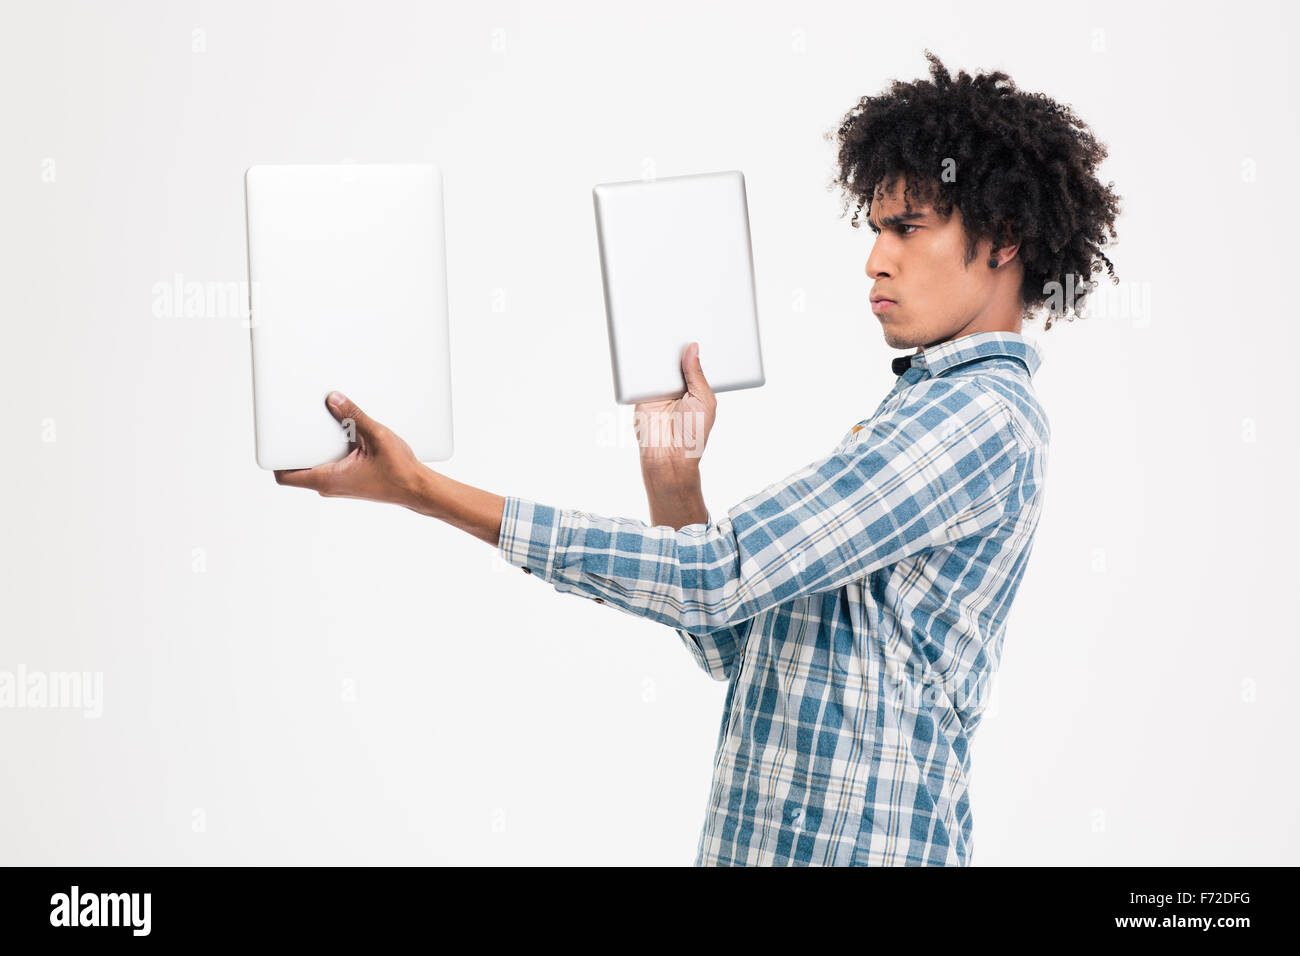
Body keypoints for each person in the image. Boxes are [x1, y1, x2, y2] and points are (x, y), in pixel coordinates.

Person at [273, 50, 1121, 866]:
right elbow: (730, 641)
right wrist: (672, 474)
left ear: (1005, 237)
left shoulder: (975, 419)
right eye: (873, 229)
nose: (874, 259)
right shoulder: (924, 408)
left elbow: (717, 575)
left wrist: (422, 490)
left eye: (907, 227)